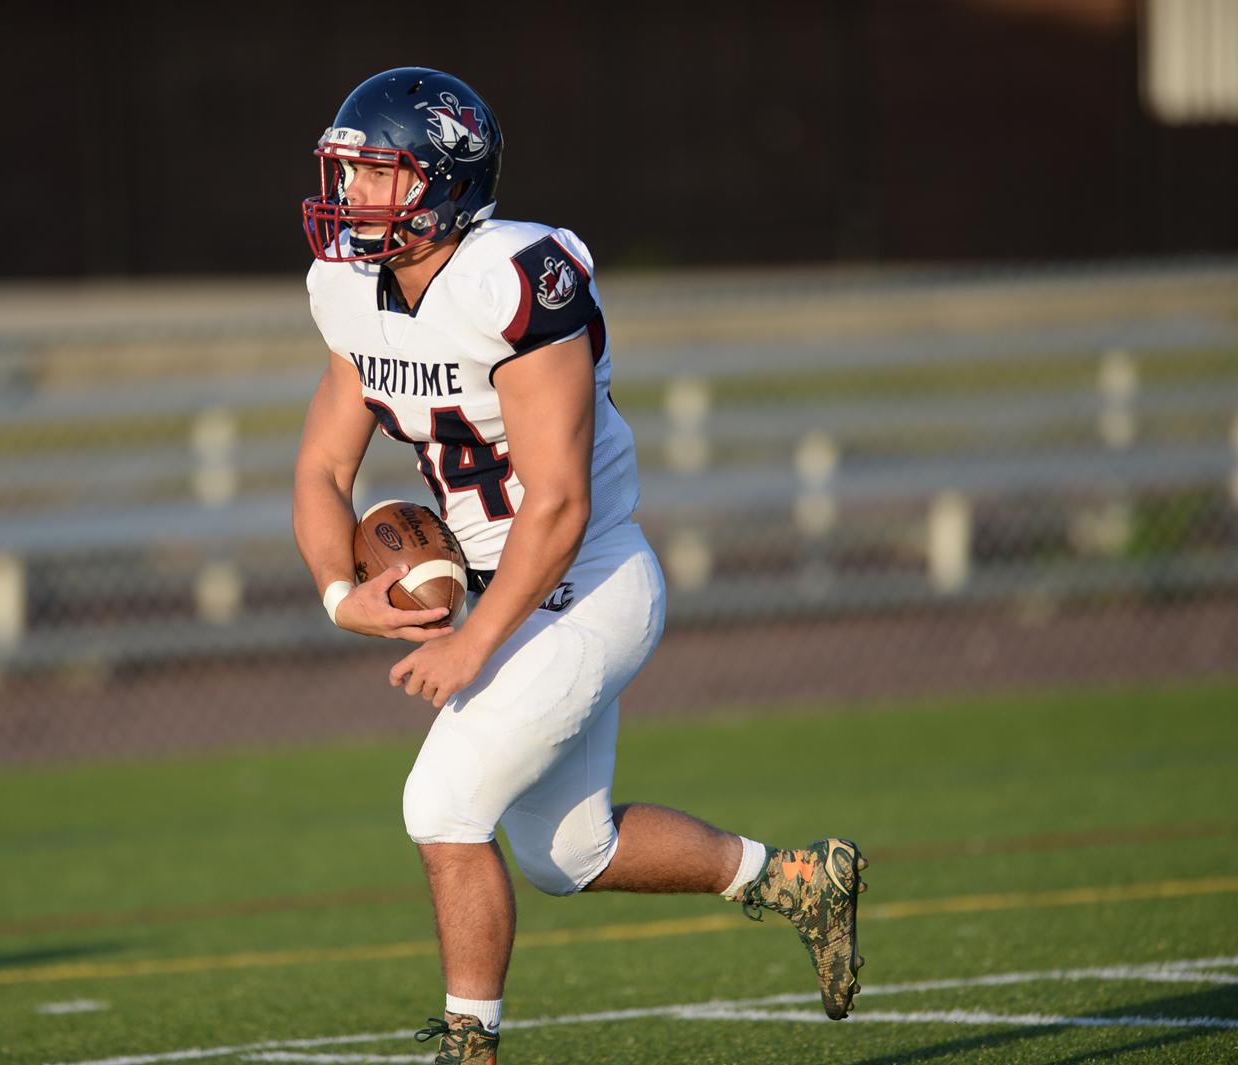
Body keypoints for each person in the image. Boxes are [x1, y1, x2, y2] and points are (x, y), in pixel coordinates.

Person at [292, 67, 867, 1065]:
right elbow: (319, 468)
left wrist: (475, 639)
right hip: (501, 589)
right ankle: (801, 882)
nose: (349, 198)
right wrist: (341, 596)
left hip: (587, 582)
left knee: (440, 805)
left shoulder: (514, 278)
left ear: (442, 181)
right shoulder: (349, 292)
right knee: (571, 855)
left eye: (375, 175)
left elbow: (559, 503)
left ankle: (469, 1051)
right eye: (344, 173)